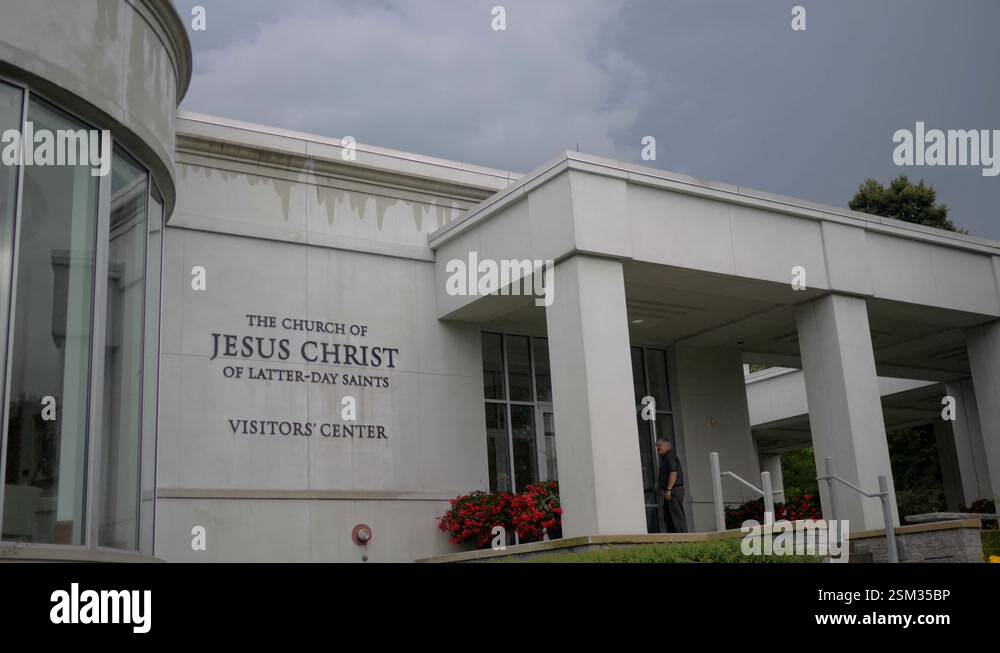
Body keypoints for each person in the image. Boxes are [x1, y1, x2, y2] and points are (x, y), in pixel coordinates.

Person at [656, 438, 687, 533]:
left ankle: (683, 539)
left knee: (676, 517)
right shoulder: (665, 458)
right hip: (670, 491)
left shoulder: (670, 456)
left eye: (659, 445)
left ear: (667, 445)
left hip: (674, 490)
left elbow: (673, 473)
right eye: (657, 446)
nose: (658, 448)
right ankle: (674, 539)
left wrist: (669, 490)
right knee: (669, 517)